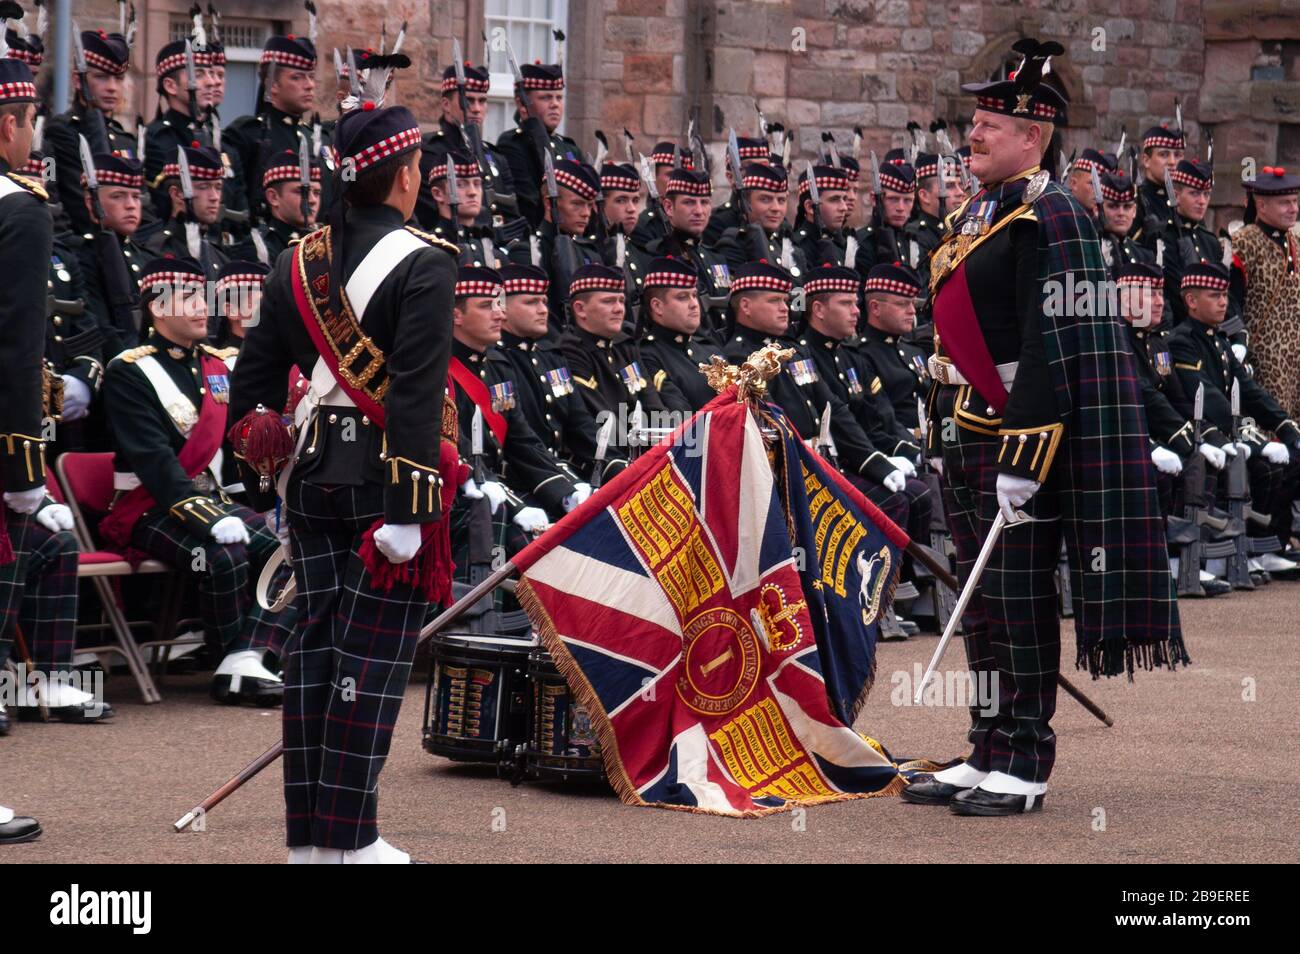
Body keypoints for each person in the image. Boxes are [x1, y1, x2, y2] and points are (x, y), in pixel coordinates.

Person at [902, 39, 1182, 816]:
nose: (974, 135)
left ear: (1034, 135)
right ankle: (986, 743)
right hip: (961, 427)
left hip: (1016, 437)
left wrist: (1022, 453)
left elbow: (1050, 347)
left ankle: (1026, 758)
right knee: (981, 599)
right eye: (975, 121)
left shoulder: (1051, 215)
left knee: (1018, 599)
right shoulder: (978, 210)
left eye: (990, 123)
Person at [228, 97, 460, 863]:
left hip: (309, 476)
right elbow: (417, 395)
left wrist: (261, 482)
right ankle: (350, 840)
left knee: (314, 659)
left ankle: (310, 843)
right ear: (402, 176)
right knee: (371, 667)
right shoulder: (426, 261)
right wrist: (409, 512)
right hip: (383, 490)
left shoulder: (298, 259)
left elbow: (257, 378)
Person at [101, 258, 290, 705]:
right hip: (150, 507)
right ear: (157, 308)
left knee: (291, 553)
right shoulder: (129, 371)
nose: (203, 306)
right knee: (223, 555)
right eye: (188, 298)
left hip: (215, 498)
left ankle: (245, 658)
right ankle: (233, 660)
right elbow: (155, 463)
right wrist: (206, 518)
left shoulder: (221, 364)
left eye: (203, 296)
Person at [722, 260, 910, 526]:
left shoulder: (794, 351)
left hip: (824, 463)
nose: (785, 308)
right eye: (774, 300)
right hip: (789, 475)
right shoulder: (739, 358)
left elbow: (834, 409)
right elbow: (773, 425)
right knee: (892, 504)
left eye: (785, 300)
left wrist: (874, 461)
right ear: (745, 306)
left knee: (906, 497)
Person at [1169, 261, 1300, 569]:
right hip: (1204, 430)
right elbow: (1209, 400)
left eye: (1225, 295)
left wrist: (1287, 427)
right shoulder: (1182, 341)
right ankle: (1227, 555)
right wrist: (1255, 440)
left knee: (1290, 462)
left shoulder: (1219, 341)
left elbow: (1250, 392)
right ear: (1191, 300)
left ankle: (1265, 546)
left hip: (1226, 429)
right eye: (1214, 295)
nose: (1224, 302)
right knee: (1264, 467)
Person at [490, 263, 626, 483]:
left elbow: (580, 423)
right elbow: (519, 441)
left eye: (543, 301)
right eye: (531, 302)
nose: (543, 310)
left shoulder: (550, 356)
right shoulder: (496, 360)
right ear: (501, 308)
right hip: (523, 480)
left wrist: (617, 466)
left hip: (561, 470)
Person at [225, 31, 329, 224]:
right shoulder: (248, 134)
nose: (309, 85)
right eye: (297, 78)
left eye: (311, 77)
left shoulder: (318, 137)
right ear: (272, 84)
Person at [43, 27, 139, 232]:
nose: (112, 87)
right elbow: (80, 202)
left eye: (118, 78)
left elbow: (143, 203)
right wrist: (93, 118)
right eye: (102, 77)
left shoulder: (125, 140)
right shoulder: (63, 131)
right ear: (78, 81)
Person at [559, 263, 675, 423]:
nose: (619, 308)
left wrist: (672, 441)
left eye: (621, 301)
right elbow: (602, 421)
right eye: (608, 301)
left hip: (642, 443)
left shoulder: (624, 345)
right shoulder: (571, 351)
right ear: (580, 309)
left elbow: (654, 407)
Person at [627, 167, 732, 339]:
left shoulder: (715, 257)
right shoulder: (656, 255)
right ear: (668, 207)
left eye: (704, 202)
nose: (699, 211)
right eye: (689, 202)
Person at [1231, 165, 1300, 421]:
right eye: (1285, 203)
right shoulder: (1243, 243)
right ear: (1261, 205)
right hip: (1263, 358)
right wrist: (1238, 341)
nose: (1293, 208)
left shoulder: (1295, 241)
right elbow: (1229, 300)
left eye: (1294, 201)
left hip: (1295, 356)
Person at [415, 61, 518, 231]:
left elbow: (512, 213)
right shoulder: (429, 152)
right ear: (446, 105)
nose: (477, 109)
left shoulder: (495, 157)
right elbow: (434, 212)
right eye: (468, 101)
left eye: (482, 101)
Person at [74, 152, 154, 359]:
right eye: (117, 196)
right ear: (91, 203)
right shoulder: (83, 255)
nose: (131, 205)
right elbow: (100, 325)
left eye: (136, 196)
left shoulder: (145, 257)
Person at [494, 59, 585, 228]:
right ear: (522, 104)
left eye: (559, 97)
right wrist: (534, 130)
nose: (555, 104)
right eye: (545, 98)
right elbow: (529, 204)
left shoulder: (569, 148)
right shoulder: (513, 145)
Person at [637, 256, 725, 413]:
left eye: (694, 295)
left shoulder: (709, 349)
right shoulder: (649, 355)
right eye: (682, 297)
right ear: (657, 306)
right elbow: (681, 417)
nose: (694, 304)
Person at [138, 142, 228, 282]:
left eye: (218, 187)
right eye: (204, 187)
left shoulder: (219, 257)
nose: (215, 197)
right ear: (177, 194)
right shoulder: (157, 252)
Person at [714, 163, 807, 282]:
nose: (776, 208)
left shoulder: (790, 249)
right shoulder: (732, 244)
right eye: (765, 199)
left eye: (781, 200)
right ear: (745, 203)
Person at [229, 149, 321, 266]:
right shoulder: (259, 248)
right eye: (301, 192)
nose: (312, 200)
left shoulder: (323, 241)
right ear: (273, 197)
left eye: (317, 193)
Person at [423, 149, 501, 267]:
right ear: (438, 194)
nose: (472, 192)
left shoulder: (490, 249)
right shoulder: (429, 248)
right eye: (460, 184)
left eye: (477, 184)